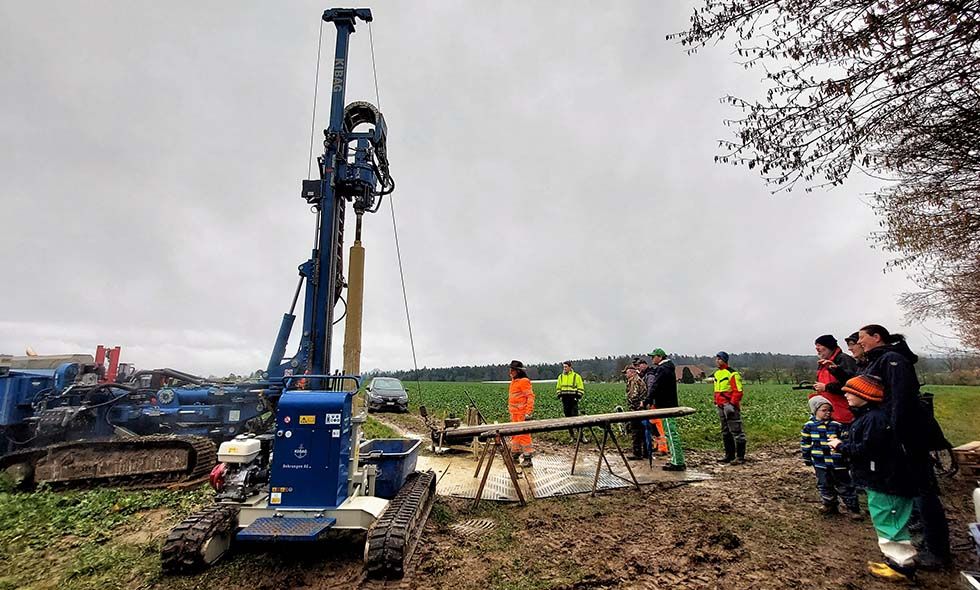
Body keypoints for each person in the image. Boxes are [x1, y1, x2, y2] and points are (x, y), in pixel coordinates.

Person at [858, 325, 951, 570]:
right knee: (914, 490)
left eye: (862, 338)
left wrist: (893, 434)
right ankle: (922, 542)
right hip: (899, 435)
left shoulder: (893, 360)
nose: (860, 343)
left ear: (877, 337)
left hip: (906, 438)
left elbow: (900, 401)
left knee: (923, 490)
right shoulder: (884, 359)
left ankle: (937, 551)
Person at [829, 375, 918, 582]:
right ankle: (894, 559)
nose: (845, 394)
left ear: (864, 395)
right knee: (886, 520)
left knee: (891, 521)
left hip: (886, 481)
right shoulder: (870, 416)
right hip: (880, 479)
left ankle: (901, 566)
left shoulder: (875, 419)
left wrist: (841, 446)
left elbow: (869, 449)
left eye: (850, 391)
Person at [800, 395, 861, 518]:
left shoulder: (836, 425)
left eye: (829, 410)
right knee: (824, 484)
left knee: (845, 486)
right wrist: (807, 457)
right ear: (815, 411)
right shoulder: (809, 426)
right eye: (824, 410)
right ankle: (829, 504)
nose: (827, 413)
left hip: (838, 463)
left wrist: (846, 456)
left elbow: (844, 441)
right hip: (820, 462)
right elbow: (805, 443)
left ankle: (853, 508)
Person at [643, 348, 686, 471]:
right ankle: (675, 460)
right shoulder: (667, 368)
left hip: (667, 405)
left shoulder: (663, 369)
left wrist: (648, 400)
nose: (652, 359)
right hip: (668, 404)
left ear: (660, 357)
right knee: (669, 433)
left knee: (671, 434)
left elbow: (656, 386)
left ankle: (678, 462)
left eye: (653, 357)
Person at [811, 334, 858, 425]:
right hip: (829, 413)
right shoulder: (823, 363)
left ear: (829, 347)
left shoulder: (843, 359)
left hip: (844, 413)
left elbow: (852, 384)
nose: (818, 351)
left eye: (820, 347)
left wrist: (826, 387)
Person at [712, 351, 746, 464]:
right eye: (716, 359)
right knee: (725, 431)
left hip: (729, 406)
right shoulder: (717, 374)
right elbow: (717, 390)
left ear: (724, 360)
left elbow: (738, 391)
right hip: (720, 405)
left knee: (736, 431)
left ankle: (740, 457)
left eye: (719, 359)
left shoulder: (732, 374)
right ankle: (729, 455)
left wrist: (731, 404)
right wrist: (716, 401)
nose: (717, 361)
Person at [507, 360, 535, 468]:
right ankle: (515, 454)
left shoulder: (524, 381)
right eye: (511, 369)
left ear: (518, 371)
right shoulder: (513, 382)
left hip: (522, 414)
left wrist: (528, 412)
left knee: (524, 435)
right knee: (515, 435)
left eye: (513, 370)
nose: (511, 372)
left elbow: (530, 397)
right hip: (514, 414)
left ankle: (528, 458)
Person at [556, 361, 585, 441]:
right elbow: (558, 388)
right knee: (567, 419)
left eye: (566, 367)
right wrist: (559, 395)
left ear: (570, 367)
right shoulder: (561, 377)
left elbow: (581, 388)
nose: (564, 368)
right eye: (563, 367)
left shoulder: (576, 376)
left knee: (575, 418)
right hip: (565, 400)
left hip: (573, 400)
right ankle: (572, 436)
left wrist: (578, 396)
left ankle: (581, 436)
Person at [623, 363, 647, 459]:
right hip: (641, 409)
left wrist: (632, 408)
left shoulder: (634, 381)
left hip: (636, 410)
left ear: (632, 373)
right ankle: (645, 452)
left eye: (627, 372)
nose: (626, 374)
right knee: (641, 432)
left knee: (636, 431)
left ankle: (637, 453)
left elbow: (634, 396)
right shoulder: (637, 380)